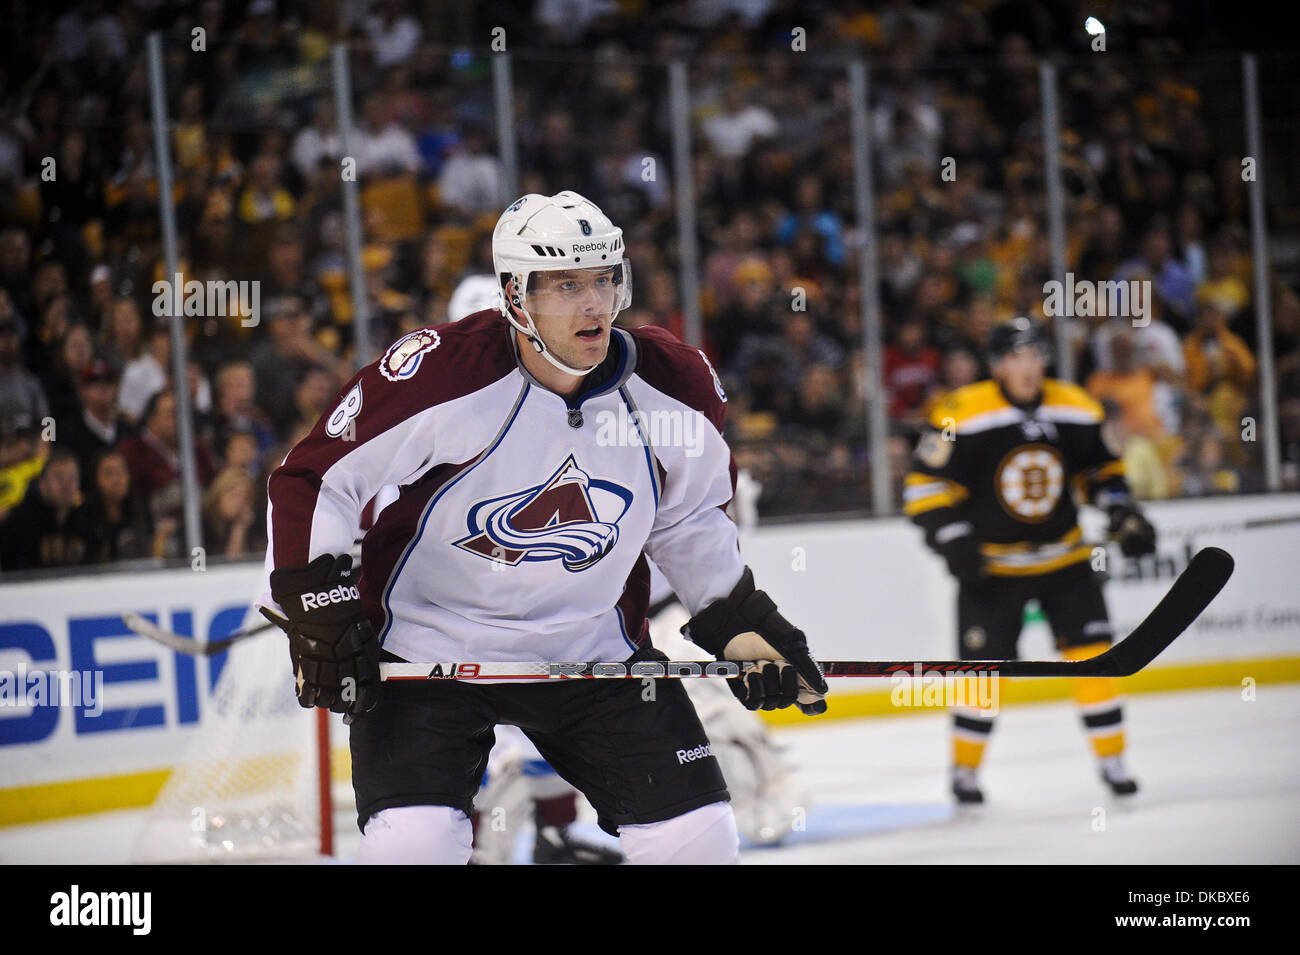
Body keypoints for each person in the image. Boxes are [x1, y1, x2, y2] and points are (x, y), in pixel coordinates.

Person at [258, 191, 827, 865]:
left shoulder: (677, 383)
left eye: (603, 279)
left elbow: (688, 519)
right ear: (515, 294)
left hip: (591, 647)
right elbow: (316, 479)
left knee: (697, 840)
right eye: (565, 284)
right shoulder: (442, 372)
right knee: (413, 848)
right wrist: (322, 610)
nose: (593, 304)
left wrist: (737, 616)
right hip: (430, 649)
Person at [903, 317, 1156, 804]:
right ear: (996, 365)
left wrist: (1122, 512)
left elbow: (1102, 472)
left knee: (1095, 662)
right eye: (1015, 357)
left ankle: (1113, 761)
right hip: (994, 571)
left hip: (1066, 561)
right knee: (980, 678)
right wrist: (954, 539)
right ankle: (966, 772)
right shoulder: (960, 412)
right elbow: (923, 485)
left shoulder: (1077, 407)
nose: (1027, 366)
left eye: (1034, 355)